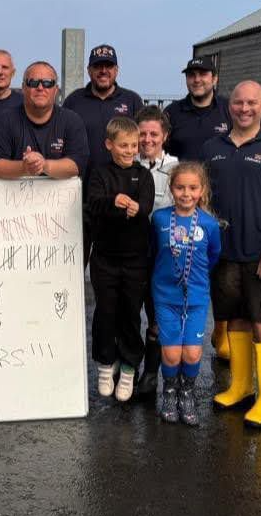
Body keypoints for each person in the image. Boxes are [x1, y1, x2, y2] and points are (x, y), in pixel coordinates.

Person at [205, 80, 261, 428]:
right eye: (239, 102)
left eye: (252, 103)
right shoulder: (212, 147)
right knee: (235, 318)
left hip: (260, 254)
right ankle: (241, 386)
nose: (245, 108)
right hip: (223, 253)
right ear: (230, 106)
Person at [164, 56, 233, 359]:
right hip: (184, 198)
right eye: (191, 75)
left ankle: (222, 327)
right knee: (184, 262)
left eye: (203, 74)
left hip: (219, 198)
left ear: (214, 78)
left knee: (221, 265)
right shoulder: (173, 112)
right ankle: (180, 327)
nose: (197, 79)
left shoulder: (227, 109)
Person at [86, 117, 155, 402]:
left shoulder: (144, 175)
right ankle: (105, 364)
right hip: (104, 259)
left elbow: (146, 205)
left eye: (133, 145)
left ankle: (128, 367)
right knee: (105, 312)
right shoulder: (100, 173)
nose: (130, 150)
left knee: (130, 314)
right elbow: (94, 203)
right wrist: (113, 202)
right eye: (123, 145)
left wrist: (136, 208)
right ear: (109, 144)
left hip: (135, 260)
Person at [150, 162, 222, 426]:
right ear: (171, 188)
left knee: (191, 354)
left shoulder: (209, 224)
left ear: (202, 190)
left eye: (192, 188)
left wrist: (194, 277)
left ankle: (187, 392)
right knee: (171, 354)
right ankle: (169, 392)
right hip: (166, 296)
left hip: (196, 297)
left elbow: (213, 255)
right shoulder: (159, 219)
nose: (186, 193)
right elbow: (153, 252)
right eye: (180, 187)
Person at [64, 44, 144, 264]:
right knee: (74, 262)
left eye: (108, 66)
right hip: (81, 196)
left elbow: (143, 142)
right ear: (89, 70)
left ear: (116, 70)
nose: (103, 71)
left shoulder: (132, 100)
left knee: (110, 264)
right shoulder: (74, 100)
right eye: (98, 66)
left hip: (120, 197)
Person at [134, 105, 179, 396]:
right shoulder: (126, 164)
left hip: (163, 257)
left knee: (158, 317)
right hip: (132, 254)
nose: (147, 140)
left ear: (164, 136)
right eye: (142, 134)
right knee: (128, 316)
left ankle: (151, 376)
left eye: (154, 134)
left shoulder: (176, 169)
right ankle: (127, 370)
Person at [0, 61, 89, 180]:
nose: (40, 88)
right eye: (33, 82)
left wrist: (44, 165)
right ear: (23, 88)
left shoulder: (71, 121)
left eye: (47, 83)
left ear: (56, 90)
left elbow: (77, 164)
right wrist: (24, 168)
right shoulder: (5, 121)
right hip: (13, 192)